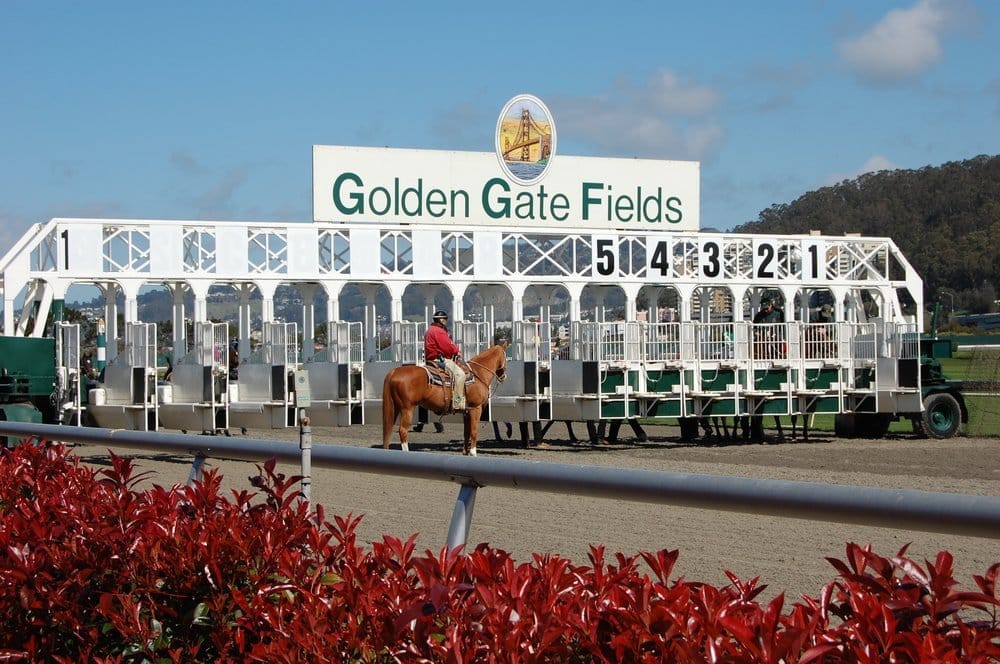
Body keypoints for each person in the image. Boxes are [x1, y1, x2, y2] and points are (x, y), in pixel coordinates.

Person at [424, 310, 466, 411]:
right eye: (445, 319)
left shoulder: (430, 329)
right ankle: (458, 403)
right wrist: (456, 351)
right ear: (440, 320)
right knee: (460, 374)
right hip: (440, 360)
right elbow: (447, 346)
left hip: (430, 359)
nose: (446, 321)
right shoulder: (438, 331)